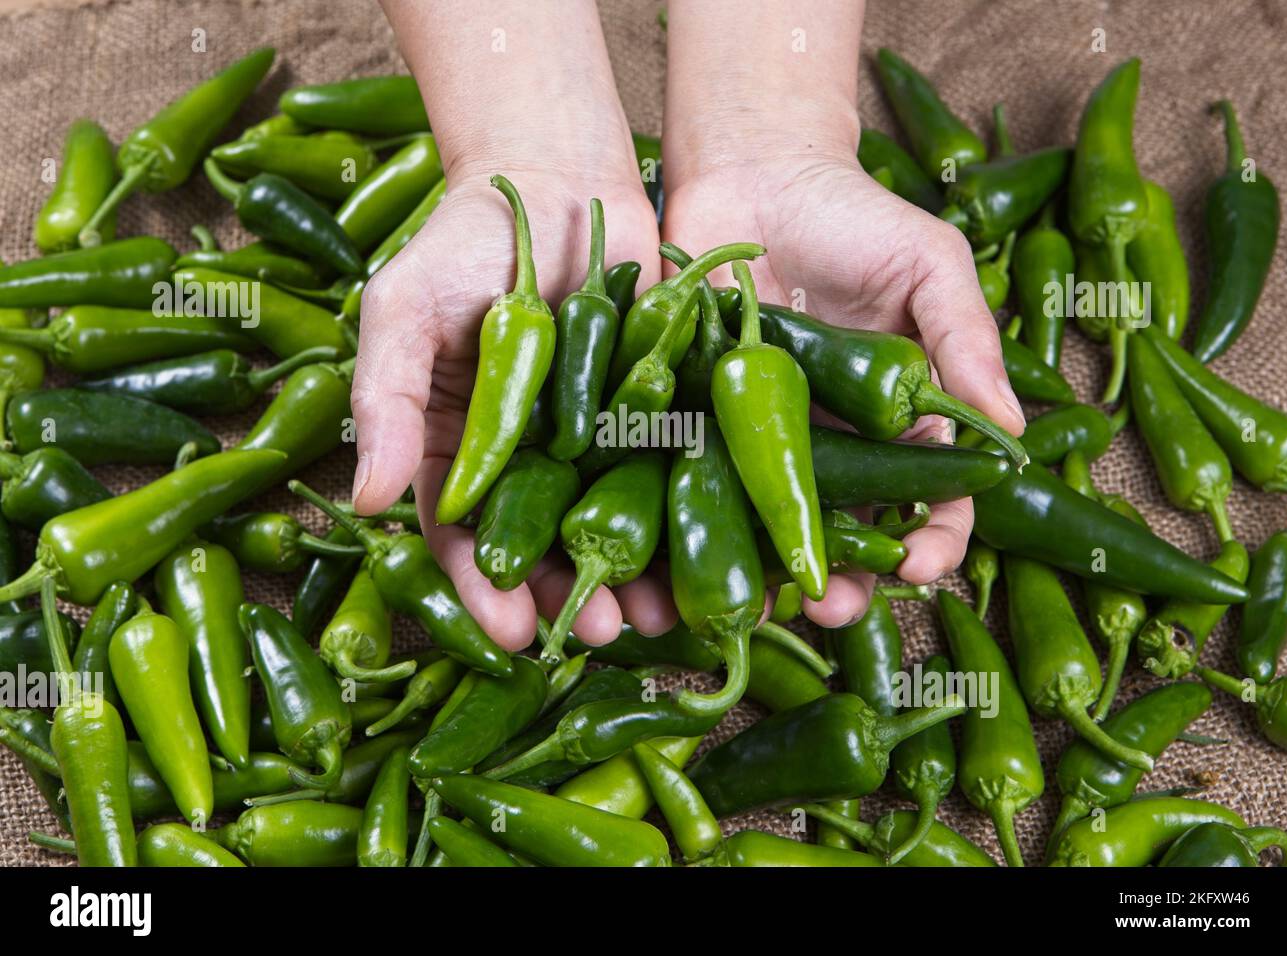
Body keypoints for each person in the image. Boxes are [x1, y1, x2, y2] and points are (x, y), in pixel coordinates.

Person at [353, 0, 1024, 652]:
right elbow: (579, 438)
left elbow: (599, 436)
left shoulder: (731, 367)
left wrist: (775, 146)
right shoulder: (673, 358)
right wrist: (525, 152)